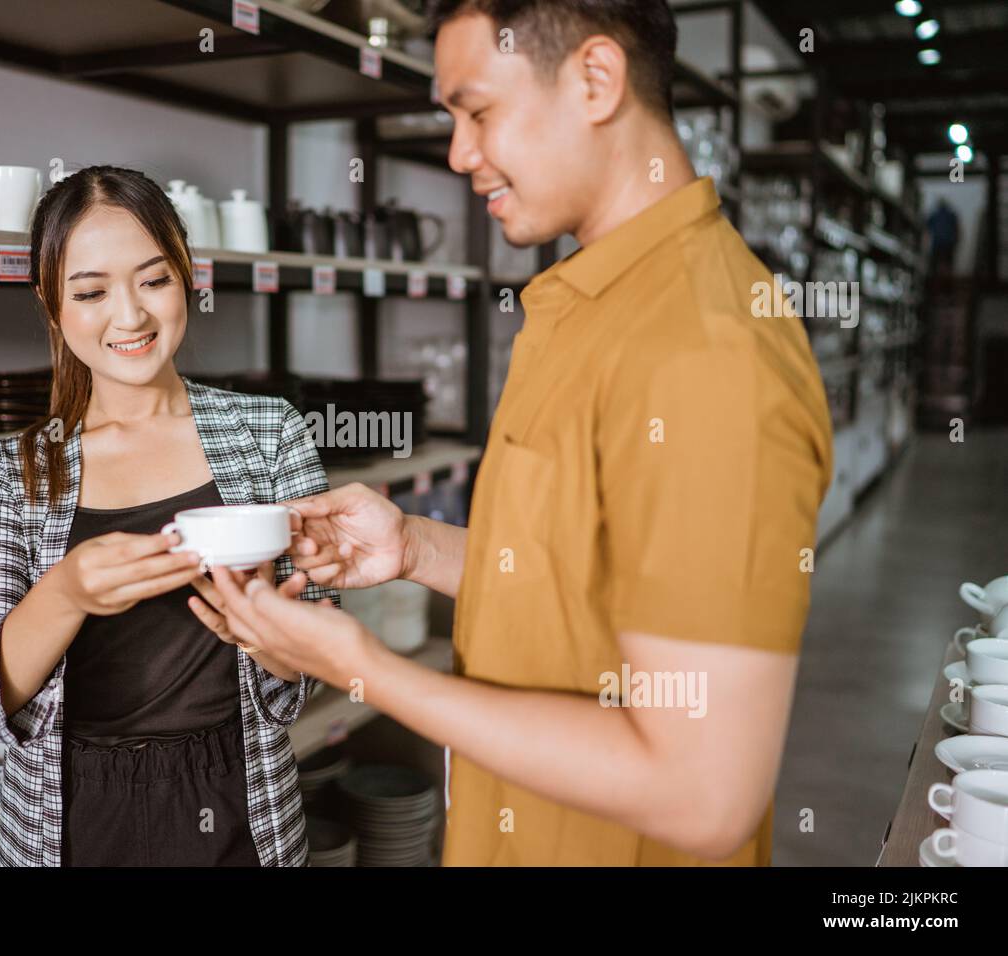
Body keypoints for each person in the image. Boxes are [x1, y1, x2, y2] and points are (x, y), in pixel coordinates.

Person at [209, 0, 833, 866]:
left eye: (477, 110)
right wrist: (416, 547)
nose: (460, 153)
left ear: (596, 79)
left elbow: (702, 793)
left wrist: (362, 666)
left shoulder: (706, 351)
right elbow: (583, 584)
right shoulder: (586, 303)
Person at [0, 165, 338, 867]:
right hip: (74, 811)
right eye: (91, 292)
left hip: (240, 794)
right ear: (52, 304)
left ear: (188, 275)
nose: (131, 316)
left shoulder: (272, 434)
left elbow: (323, 654)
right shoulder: (14, 472)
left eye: (153, 280)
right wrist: (65, 593)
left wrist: (262, 620)